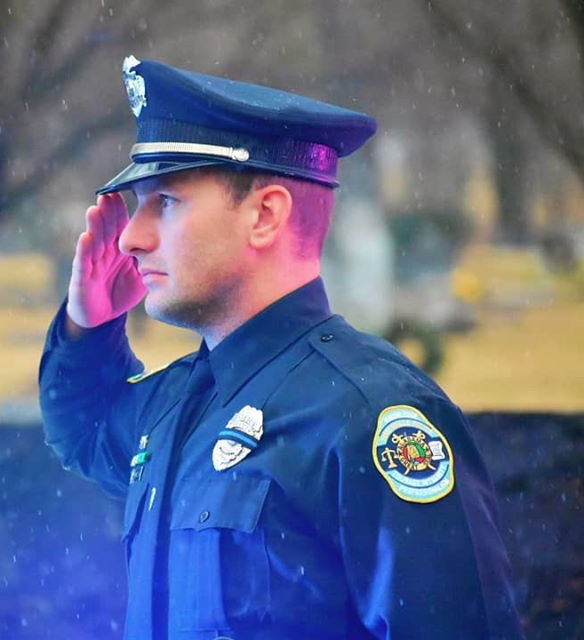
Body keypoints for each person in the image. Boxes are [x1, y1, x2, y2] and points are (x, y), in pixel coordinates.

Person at [38, 56, 522, 640]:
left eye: (164, 202)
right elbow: (83, 430)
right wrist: (87, 327)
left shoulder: (368, 415)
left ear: (265, 215)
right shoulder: (176, 404)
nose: (131, 237)